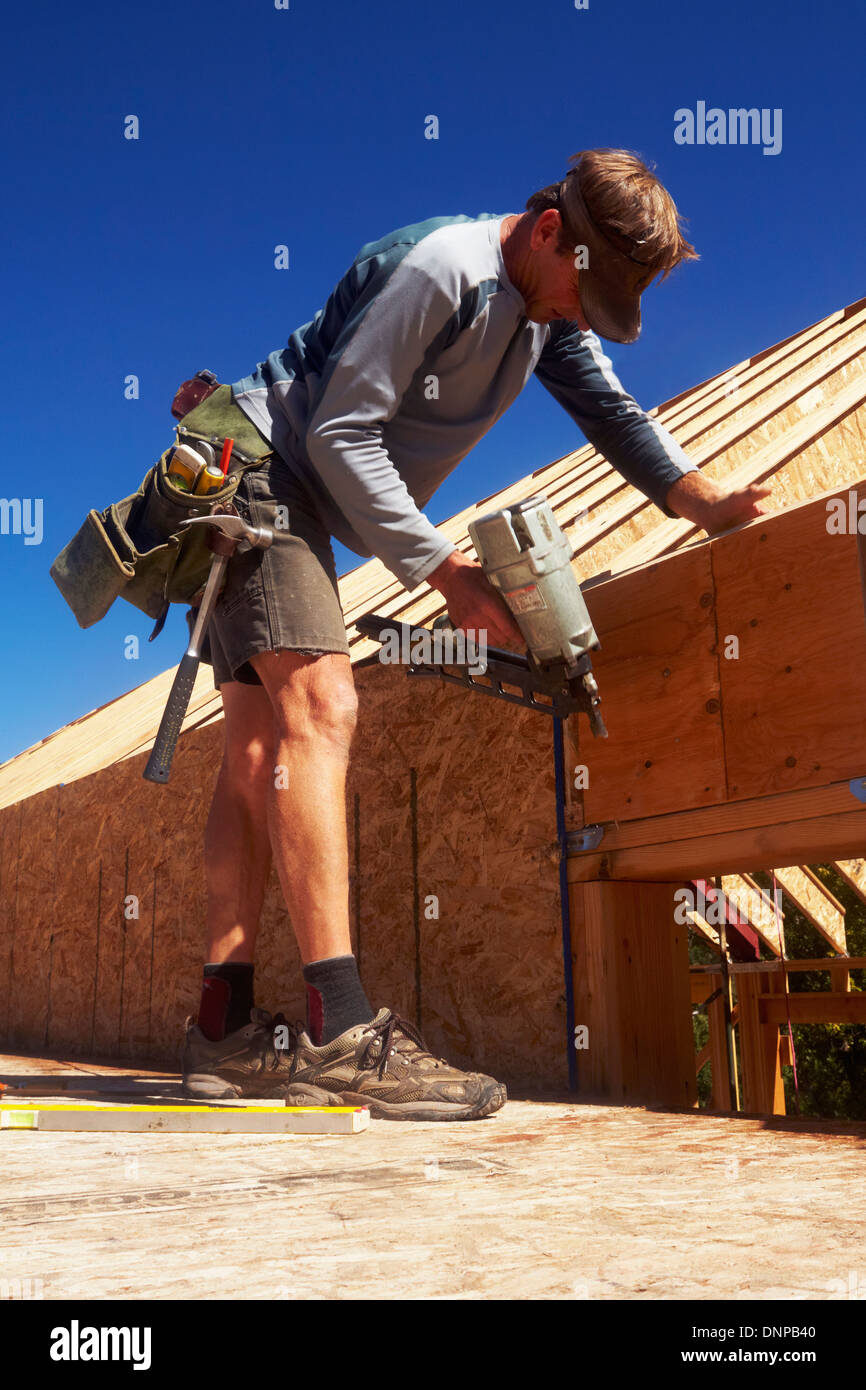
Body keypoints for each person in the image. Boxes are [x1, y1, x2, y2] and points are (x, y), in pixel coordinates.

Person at [180, 148, 769, 1119]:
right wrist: (446, 574)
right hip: (255, 459)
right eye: (587, 292)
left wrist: (693, 496)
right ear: (549, 233)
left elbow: (611, 413)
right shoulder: (444, 269)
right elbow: (336, 432)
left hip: (301, 493)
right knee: (323, 705)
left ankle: (219, 1031)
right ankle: (342, 1032)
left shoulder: (545, 312)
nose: (583, 320)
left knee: (255, 753)